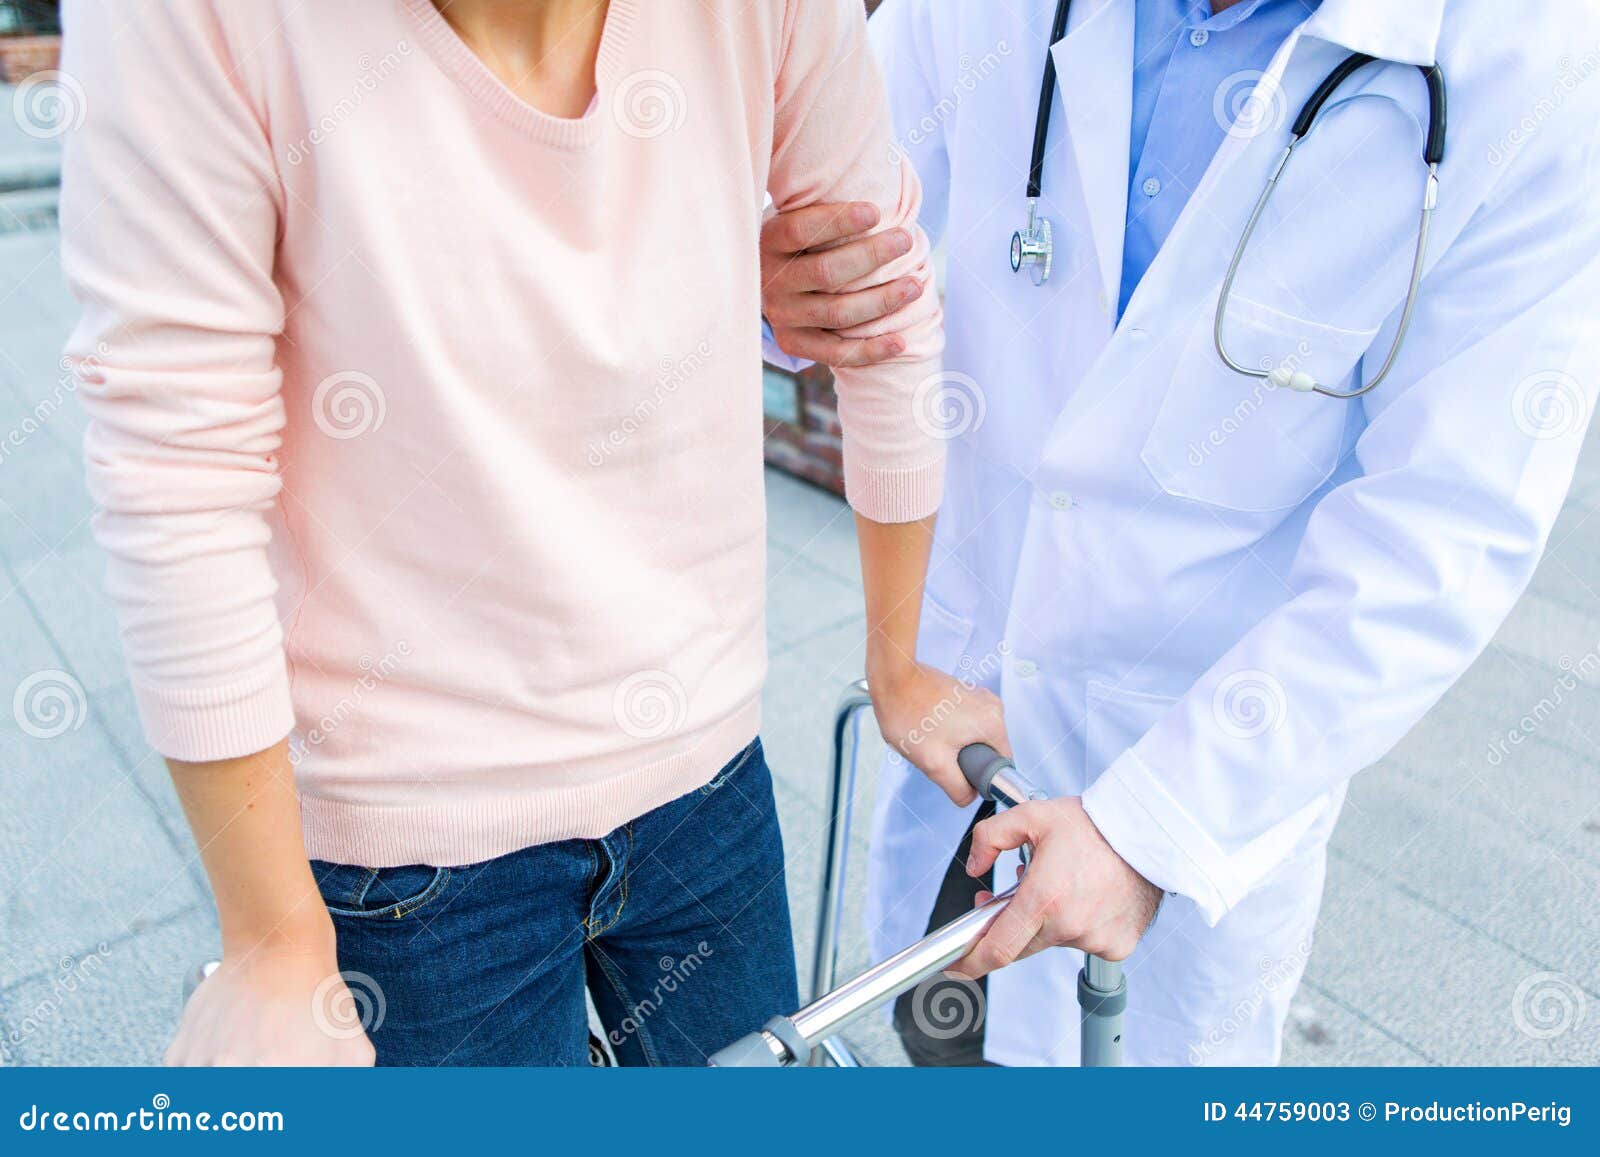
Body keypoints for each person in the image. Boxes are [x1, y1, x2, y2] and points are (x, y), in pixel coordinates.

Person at [59, 0, 1008, 1066]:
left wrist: (897, 657)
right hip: (411, 827)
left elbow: (877, 294)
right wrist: (274, 936)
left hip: (703, 759)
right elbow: (180, 464)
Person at [761, 0, 1600, 1065]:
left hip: (1194, 766)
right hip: (962, 731)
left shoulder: (1534, 63)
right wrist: (779, 283)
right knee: (943, 1050)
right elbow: (824, 214)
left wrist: (1156, 821)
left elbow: (1444, 523)